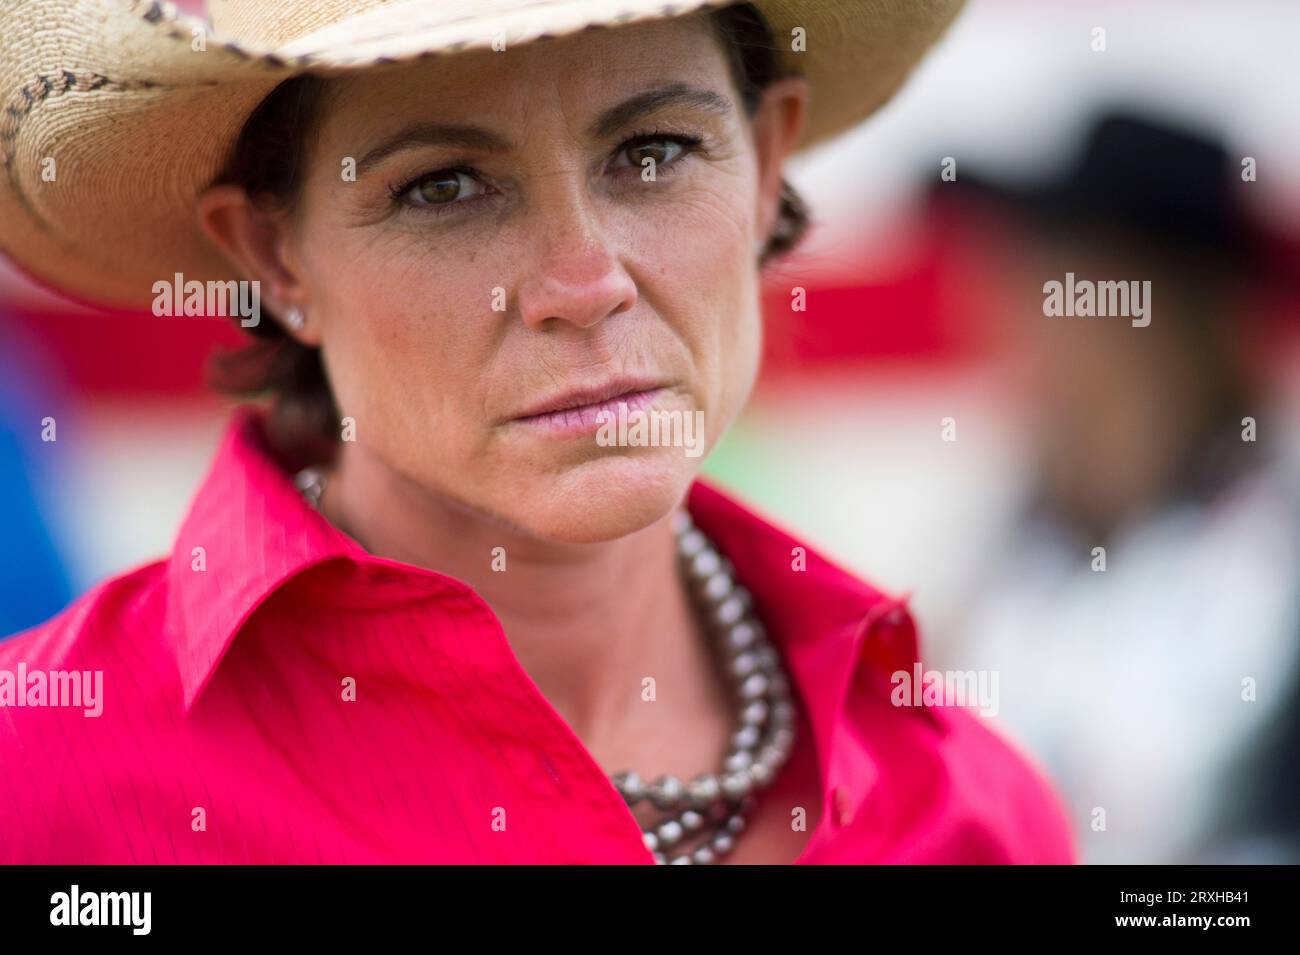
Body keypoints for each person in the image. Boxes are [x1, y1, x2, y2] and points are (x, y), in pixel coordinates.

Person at [0, 0, 1074, 864]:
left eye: (653, 151)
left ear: (761, 164)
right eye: (445, 186)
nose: (584, 282)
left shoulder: (968, 807)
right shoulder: (42, 780)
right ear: (275, 262)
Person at [927, 112, 1300, 863]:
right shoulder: (1014, 543)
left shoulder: (1270, 557)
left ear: (1165, 314)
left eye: (1052, 278)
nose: (1004, 314)